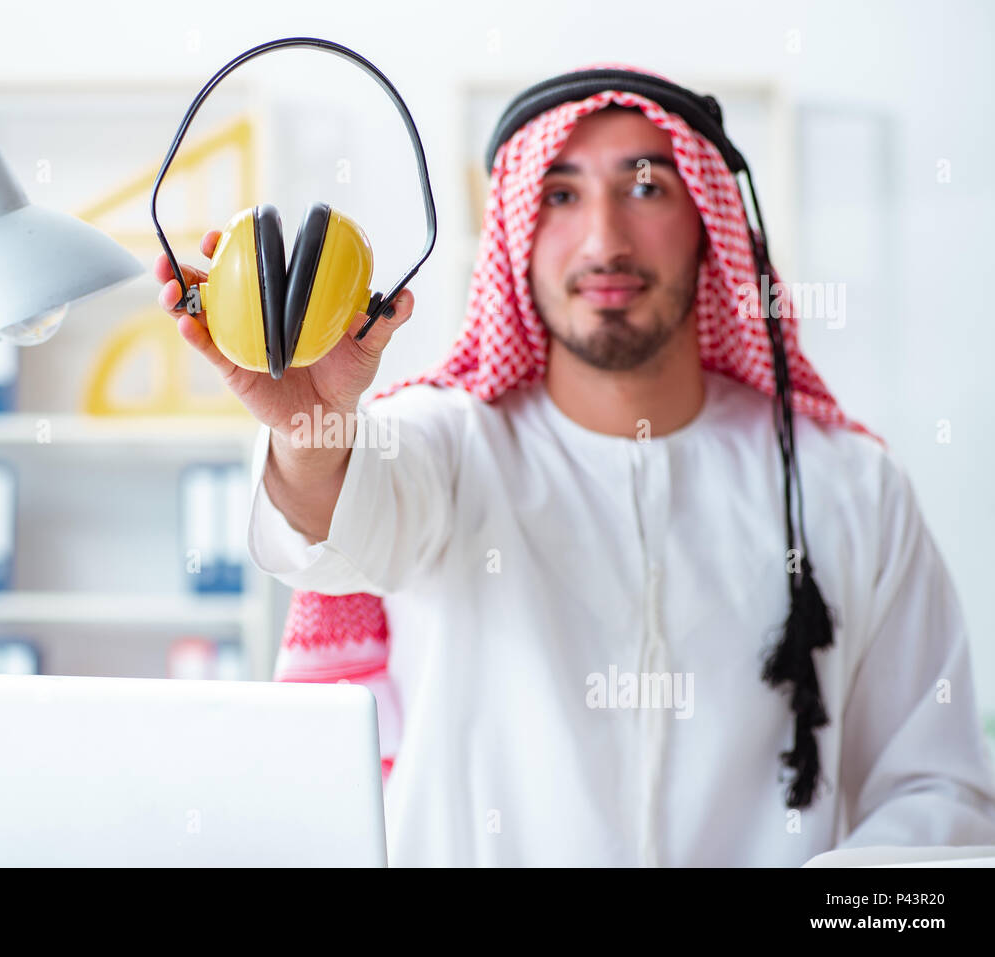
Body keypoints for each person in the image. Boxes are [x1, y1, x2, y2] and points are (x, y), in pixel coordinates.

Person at [153, 65, 995, 866]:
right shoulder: (447, 446)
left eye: (646, 186)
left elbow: (936, 791)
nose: (604, 237)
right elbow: (346, 525)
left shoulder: (851, 488)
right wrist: (308, 424)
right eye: (561, 193)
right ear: (517, 229)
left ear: (709, 222)